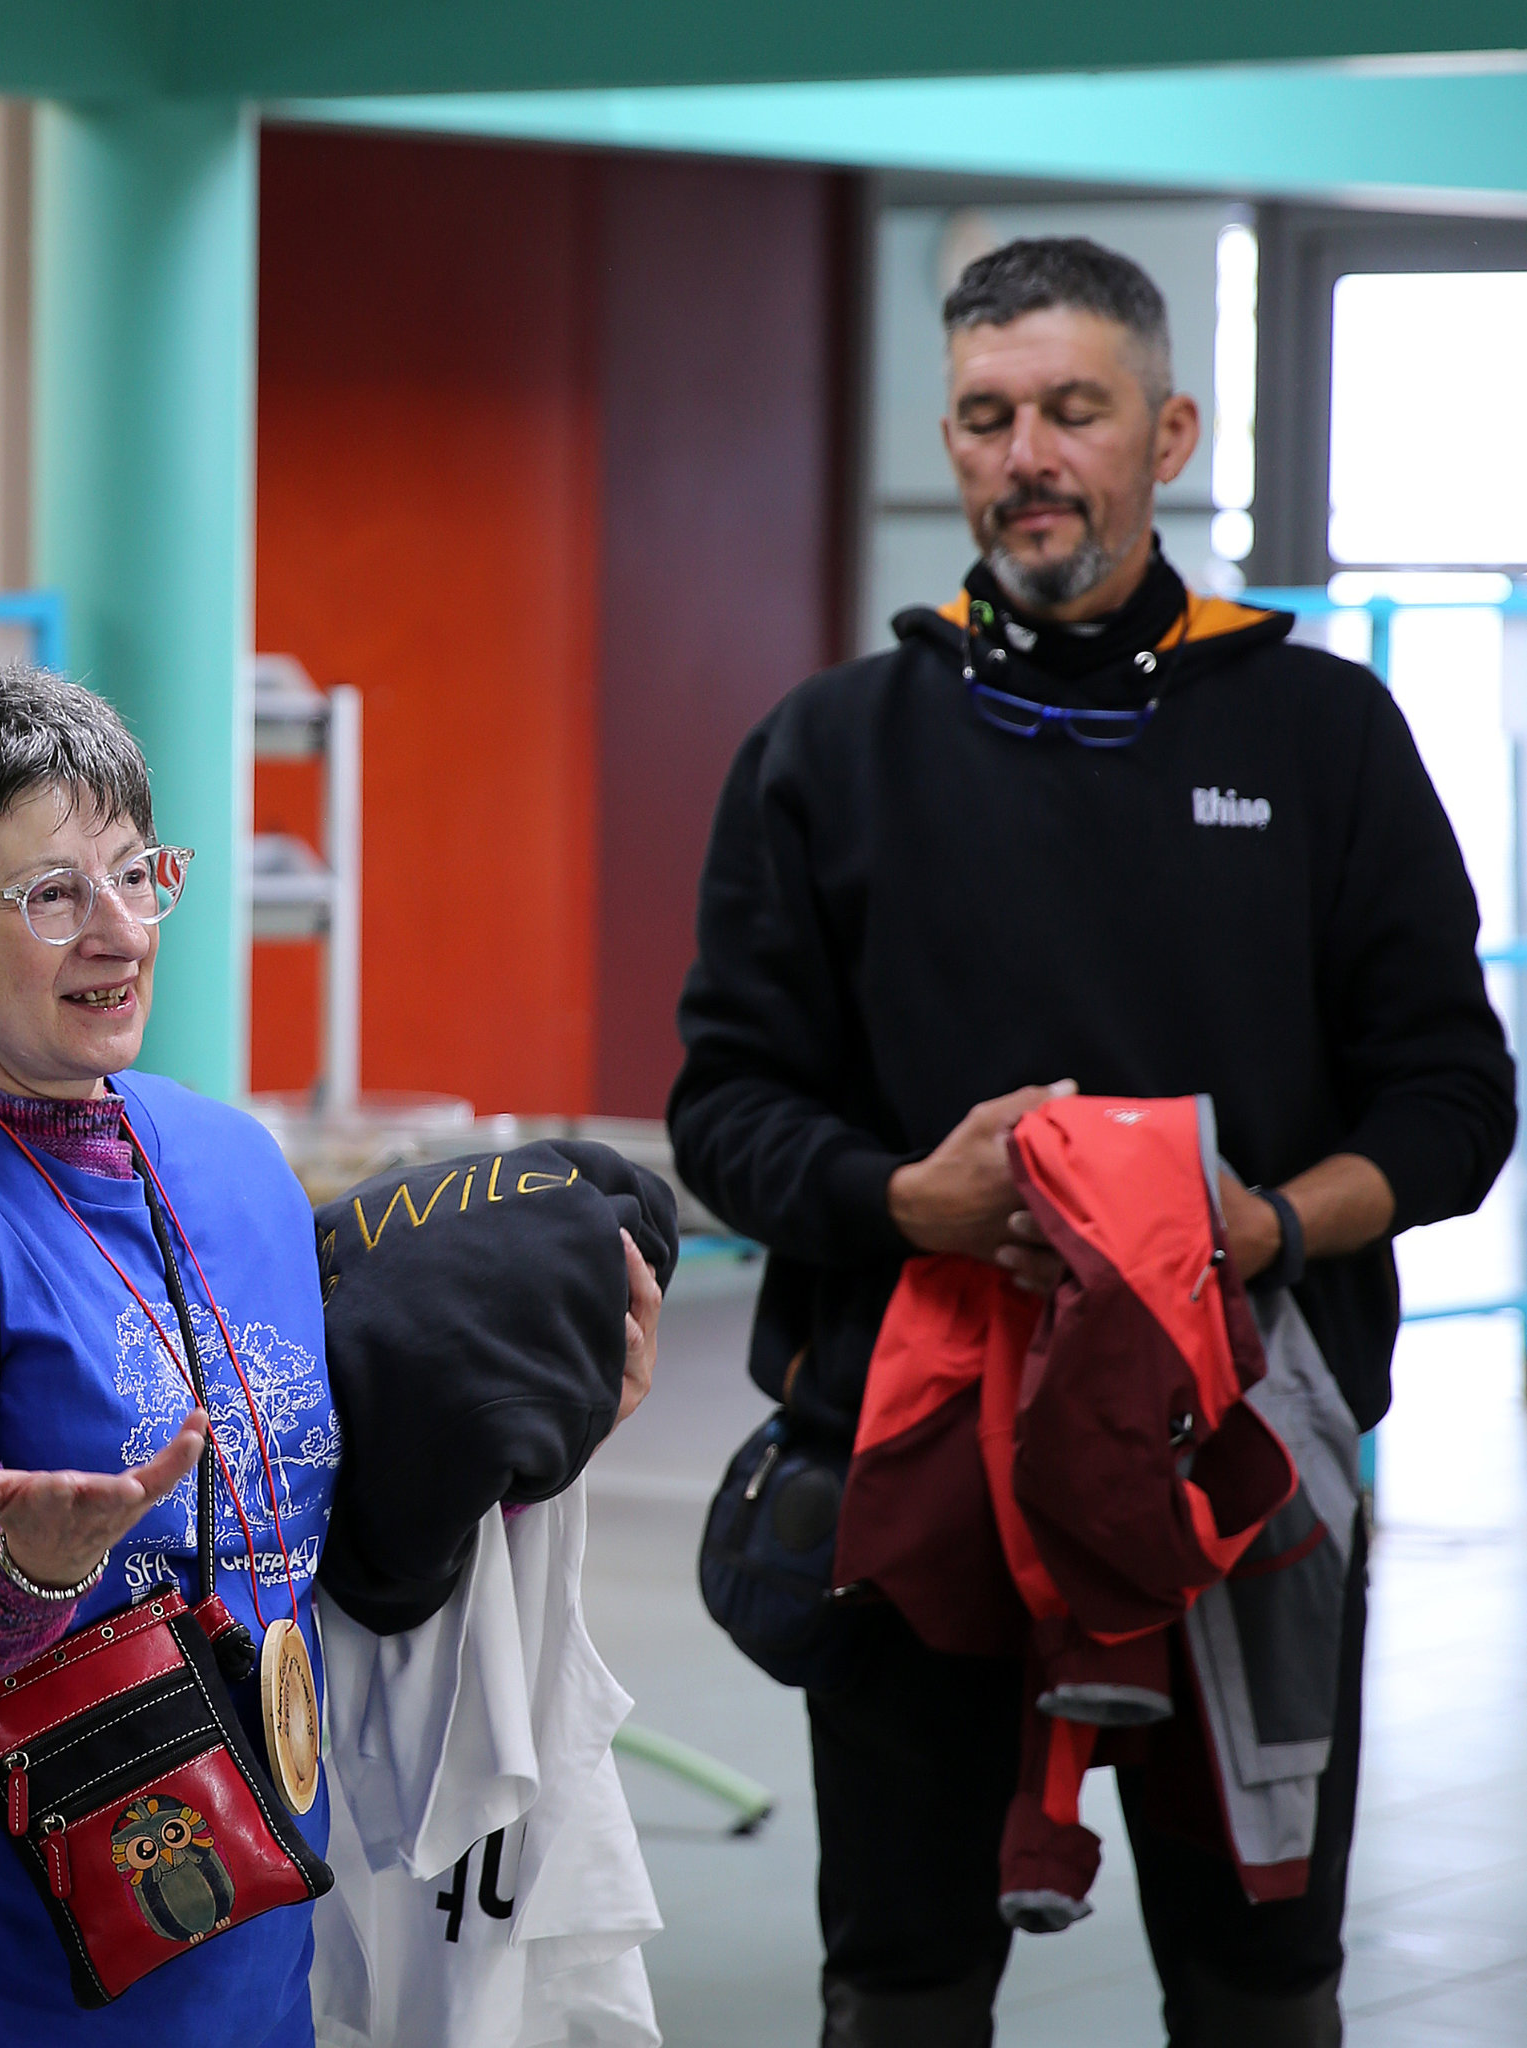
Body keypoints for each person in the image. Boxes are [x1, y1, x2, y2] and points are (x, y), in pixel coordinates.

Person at [667, 238, 1516, 2048]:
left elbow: (1453, 1099)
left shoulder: (1321, 735)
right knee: (898, 1984)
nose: (1028, 455)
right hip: (911, 1473)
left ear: (1168, 434)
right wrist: (911, 1201)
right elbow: (724, 1112)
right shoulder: (828, 751)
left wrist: (1257, 1225)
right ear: (950, 443)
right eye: (988, 417)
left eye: (1073, 410)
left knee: (1258, 1987)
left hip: (1242, 1468)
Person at [0, 663, 664, 2048]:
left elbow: (315, 1513)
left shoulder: (226, 1160)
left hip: (241, 1926)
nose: (118, 931)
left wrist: (538, 1440)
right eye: (51, 895)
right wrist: (26, 1566)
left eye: (135, 874)